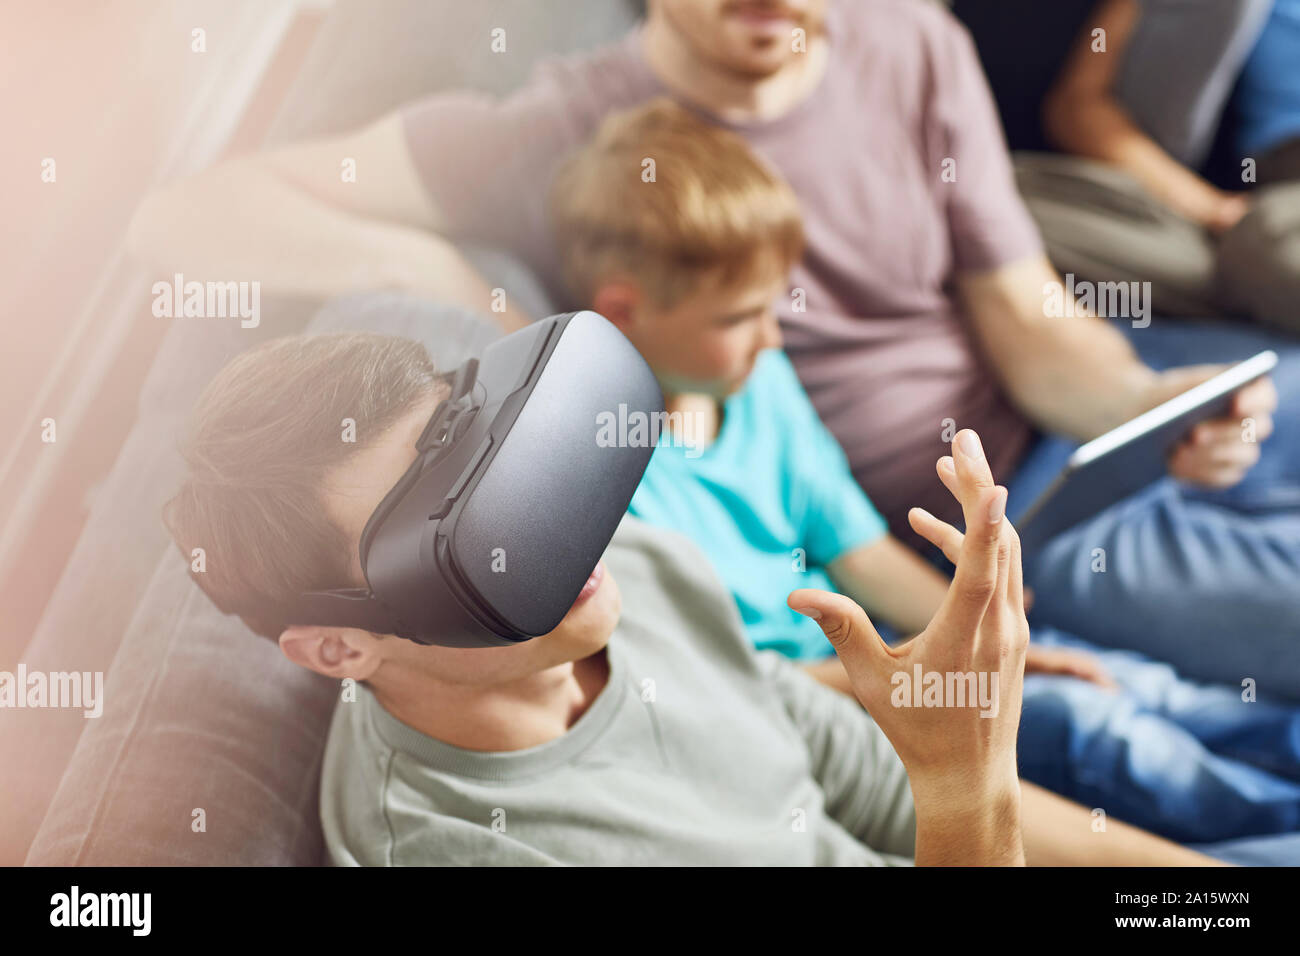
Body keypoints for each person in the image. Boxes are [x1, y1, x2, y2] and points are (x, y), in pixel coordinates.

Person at [126, 0, 1298, 693]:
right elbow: (180, 214)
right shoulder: (571, 124)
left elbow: (1030, 326)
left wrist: (1152, 401)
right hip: (963, 525)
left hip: (1068, 447)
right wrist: (449, 284)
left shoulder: (909, 38)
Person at [161, 323, 1223, 865]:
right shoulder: (465, 845)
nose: (555, 530)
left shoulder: (635, 574)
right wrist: (965, 774)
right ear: (339, 647)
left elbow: (873, 794)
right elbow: (941, 803)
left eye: (491, 456)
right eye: (466, 536)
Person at [552, 98, 1300, 846]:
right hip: (836, 703)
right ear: (622, 313)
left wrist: (988, 632)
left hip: (898, 657)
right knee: (1095, 731)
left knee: (1143, 683)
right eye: (738, 318)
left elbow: (862, 552)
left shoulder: (760, 383)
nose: (773, 335)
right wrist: (926, 673)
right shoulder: (607, 490)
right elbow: (728, 684)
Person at [1021, 0, 1300, 330]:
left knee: (1264, 253)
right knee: (1001, 210)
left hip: (1252, 231)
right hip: (1266, 196)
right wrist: (1213, 208)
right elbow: (1076, 110)